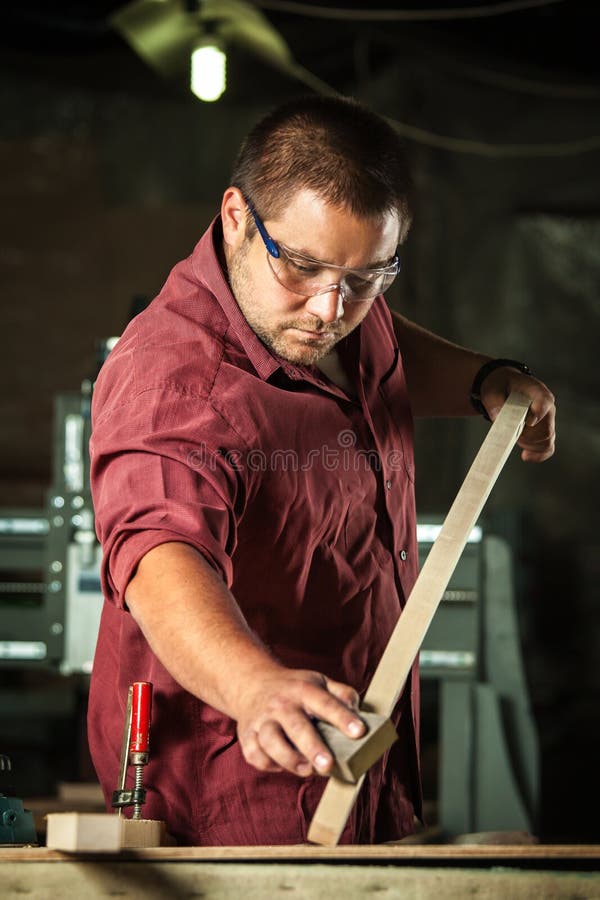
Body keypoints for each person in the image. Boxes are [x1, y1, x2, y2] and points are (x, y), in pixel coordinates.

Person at [88, 95, 555, 846]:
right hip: (240, 800)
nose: (330, 309)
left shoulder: (332, 307)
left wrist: (482, 379)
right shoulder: (178, 382)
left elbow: (382, 344)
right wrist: (255, 687)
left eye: (368, 277)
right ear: (237, 216)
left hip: (364, 769)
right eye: (302, 268)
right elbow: (158, 554)